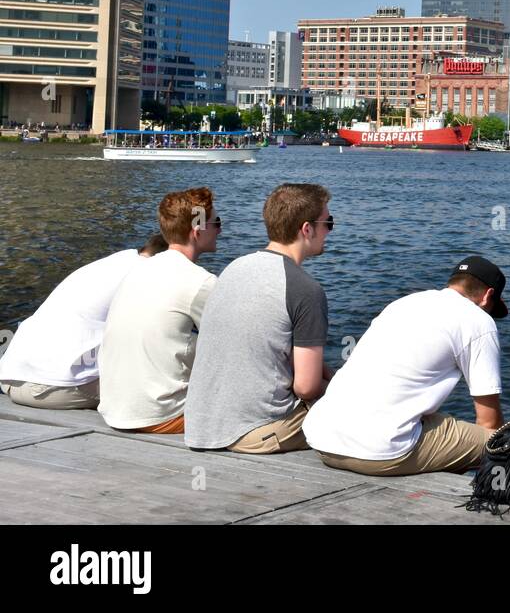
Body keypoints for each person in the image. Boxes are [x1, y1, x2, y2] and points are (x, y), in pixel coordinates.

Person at [303, 257, 507, 476]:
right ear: (488, 296)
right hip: (378, 453)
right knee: (505, 443)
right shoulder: (478, 320)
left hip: (322, 439)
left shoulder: (404, 303)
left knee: (443, 425)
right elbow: (489, 421)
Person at [184, 184, 334, 454]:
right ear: (307, 229)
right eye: (328, 223)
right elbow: (306, 387)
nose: (330, 231)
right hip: (254, 430)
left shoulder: (234, 268)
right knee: (357, 416)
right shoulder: (306, 290)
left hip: (200, 425)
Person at [97, 187, 221, 433]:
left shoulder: (138, 269)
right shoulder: (201, 282)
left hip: (114, 409)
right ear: (197, 231)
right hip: (162, 415)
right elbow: (238, 343)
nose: (220, 230)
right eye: (216, 223)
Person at [0, 234, 169, 409]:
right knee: (167, 389)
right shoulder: (147, 276)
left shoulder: (116, 261)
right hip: (50, 388)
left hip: (10, 378)